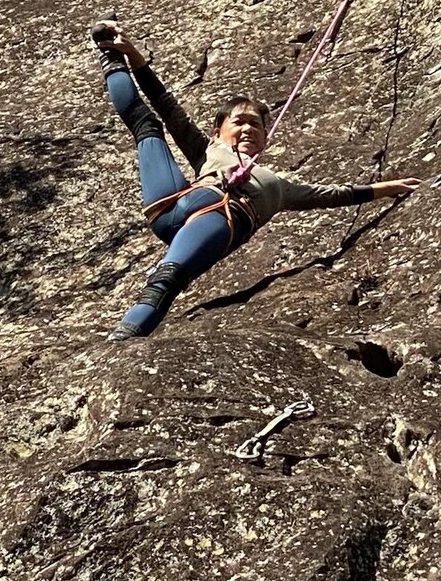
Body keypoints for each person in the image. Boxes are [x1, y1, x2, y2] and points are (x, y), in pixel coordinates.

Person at [92, 21, 421, 341]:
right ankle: (110, 55)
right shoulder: (207, 150)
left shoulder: (277, 185)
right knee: (146, 124)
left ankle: (122, 339)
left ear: (265, 138)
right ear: (218, 131)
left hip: (220, 219)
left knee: (168, 278)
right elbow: (166, 104)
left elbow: (331, 195)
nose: (248, 128)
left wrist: (383, 189)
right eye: (239, 122)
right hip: (174, 202)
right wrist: (133, 56)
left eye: (256, 125)